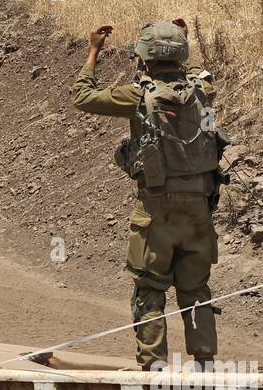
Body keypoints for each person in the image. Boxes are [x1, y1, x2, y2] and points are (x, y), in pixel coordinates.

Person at [69, 20, 223, 367]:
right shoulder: (203, 90)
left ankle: (154, 369)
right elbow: (198, 72)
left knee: (150, 290)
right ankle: (206, 368)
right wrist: (183, 39)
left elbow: (82, 97)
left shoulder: (138, 94)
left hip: (157, 211)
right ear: (181, 54)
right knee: (195, 292)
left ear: (144, 58)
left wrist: (94, 51)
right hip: (199, 211)